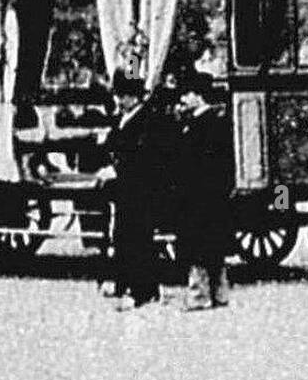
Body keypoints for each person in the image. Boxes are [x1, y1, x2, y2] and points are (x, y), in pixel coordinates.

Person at [99, 71, 166, 311]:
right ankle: (127, 283)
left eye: (122, 96)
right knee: (123, 236)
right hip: (127, 188)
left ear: (133, 97)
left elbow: (144, 156)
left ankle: (141, 291)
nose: (119, 101)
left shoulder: (147, 120)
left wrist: (118, 168)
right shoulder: (125, 118)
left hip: (141, 188)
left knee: (138, 239)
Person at [174, 71, 234, 311]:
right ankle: (220, 293)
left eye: (186, 94)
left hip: (197, 197)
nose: (183, 99)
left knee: (196, 247)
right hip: (213, 197)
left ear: (197, 96)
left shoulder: (198, 125)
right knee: (214, 246)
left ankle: (199, 295)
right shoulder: (217, 122)